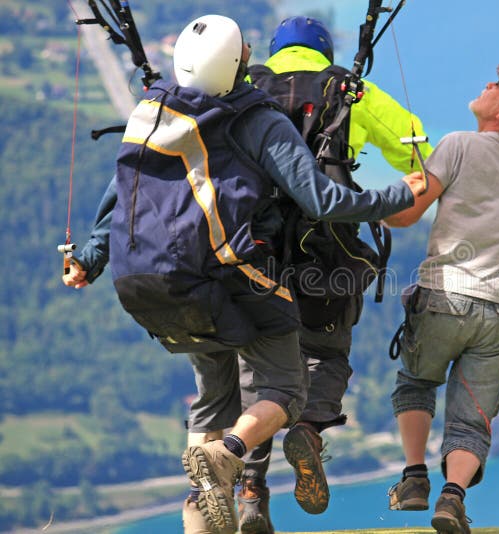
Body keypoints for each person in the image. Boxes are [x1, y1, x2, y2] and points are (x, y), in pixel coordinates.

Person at [62, 14, 425, 534]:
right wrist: (400, 194)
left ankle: (211, 509)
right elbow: (324, 199)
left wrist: (91, 257)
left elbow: (123, 190)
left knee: (214, 396)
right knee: (285, 380)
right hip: (234, 273)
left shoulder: (154, 110)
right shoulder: (257, 119)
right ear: (238, 61)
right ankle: (234, 454)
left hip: (152, 283)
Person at [235, 15, 433, 533]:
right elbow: (419, 151)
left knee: (255, 373)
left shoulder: (244, 89)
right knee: (327, 353)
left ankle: (252, 492)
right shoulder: (351, 90)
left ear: (274, 50)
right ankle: (309, 428)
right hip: (328, 253)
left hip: (254, 253)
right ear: (324, 52)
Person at [381, 65, 499, 533]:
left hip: (445, 298)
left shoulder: (458, 144)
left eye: (498, 86)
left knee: (416, 383)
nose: (489, 83)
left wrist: (367, 203)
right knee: (470, 421)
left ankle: (414, 478)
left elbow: (406, 215)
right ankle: (451, 499)